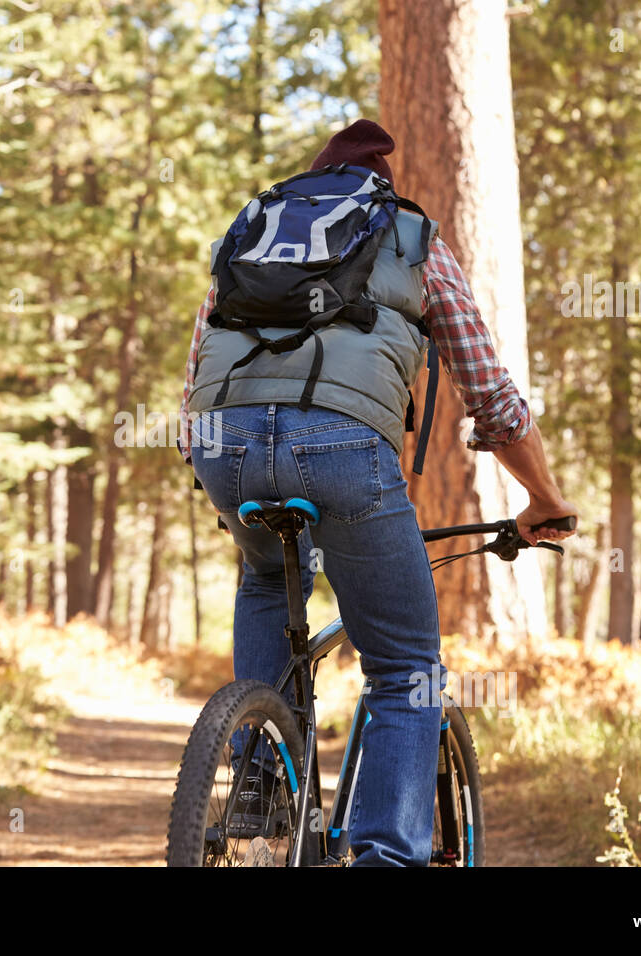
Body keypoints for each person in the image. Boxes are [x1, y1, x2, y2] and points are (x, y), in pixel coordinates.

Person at [179, 118, 577, 866]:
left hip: (222, 447)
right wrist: (543, 498)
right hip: (344, 450)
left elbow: (201, 363)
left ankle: (258, 782)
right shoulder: (408, 235)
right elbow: (491, 396)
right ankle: (388, 856)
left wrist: (212, 464)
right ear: (376, 187)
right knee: (404, 667)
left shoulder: (252, 235)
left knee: (266, 575)